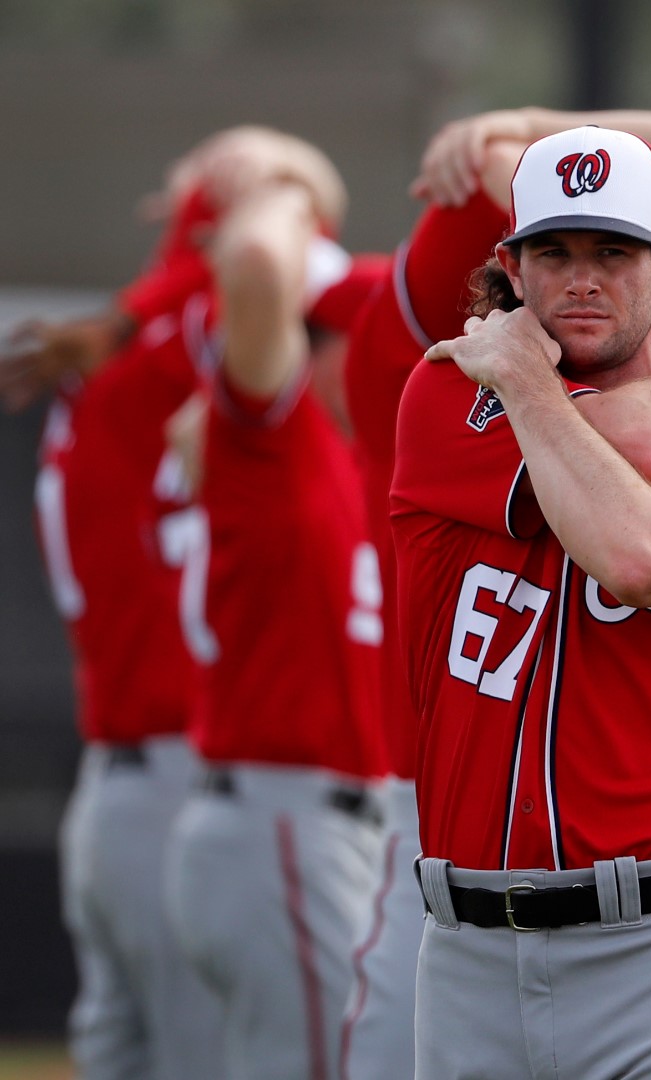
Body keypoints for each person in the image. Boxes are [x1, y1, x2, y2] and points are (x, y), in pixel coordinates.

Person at [335, 105, 651, 1080]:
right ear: (511, 267)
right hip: (467, 940)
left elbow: (644, 552)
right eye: (554, 250)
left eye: (613, 251)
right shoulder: (448, 390)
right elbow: (649, 448)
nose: (581, 277)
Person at [9, 129, 309, 1080]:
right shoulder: (159, 346)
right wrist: (259, 175)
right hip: (178, 772)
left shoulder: (120, 344)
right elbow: (280, 241)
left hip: (116, 783)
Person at [150, 132, 394, 1080]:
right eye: (339, 336)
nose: (388, 361)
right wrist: (293, 184)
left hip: (310, 824)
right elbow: (255, 263)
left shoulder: (354, 461)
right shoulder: (276, 440)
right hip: (282, 816)